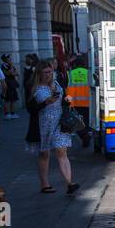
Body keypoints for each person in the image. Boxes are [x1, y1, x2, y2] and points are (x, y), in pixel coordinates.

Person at [25, 60, 78, 194]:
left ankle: (70, 183)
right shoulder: (34, 87)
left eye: (50, 72)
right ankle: (45, 184)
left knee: (62, 152)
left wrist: (67, 100)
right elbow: (30, 108)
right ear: (39, 74)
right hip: (42, 126)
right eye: (45, 73)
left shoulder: (56, 84)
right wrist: (45, 102)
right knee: (44, 154)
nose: (49, 75)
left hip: (59, 124)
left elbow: (64, 99)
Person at [1, 54, 21, 119]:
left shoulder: (9, 65)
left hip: (12, 84)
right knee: (7, 100)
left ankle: (13, 113)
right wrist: (12, 67)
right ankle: (7, 114)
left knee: (13, 99)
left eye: (10, 58)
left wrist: (13, 72)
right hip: (7, 84)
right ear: (5, 59)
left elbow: (16, 73)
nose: (10, 59)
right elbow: (11, 73)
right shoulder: (4, 65)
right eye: (8, 58)